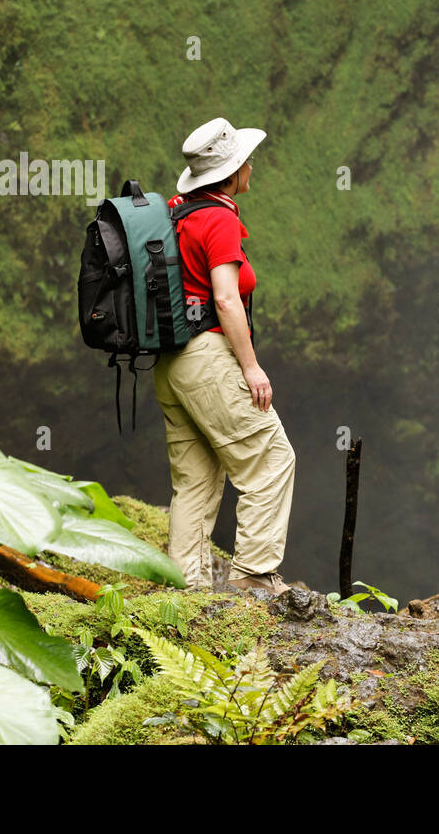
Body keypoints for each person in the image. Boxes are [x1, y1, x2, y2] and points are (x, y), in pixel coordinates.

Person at [152, 117, 296, 595]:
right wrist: (251, 366)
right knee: (271, 460)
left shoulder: (178, 212)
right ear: (232, 174)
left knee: (195, 478)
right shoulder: (219, 218)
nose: (251, 167)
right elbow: (227, 298)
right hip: (208, 359)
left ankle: (185, 595)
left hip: (170, 363)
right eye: (246, 161)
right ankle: (254, 579)